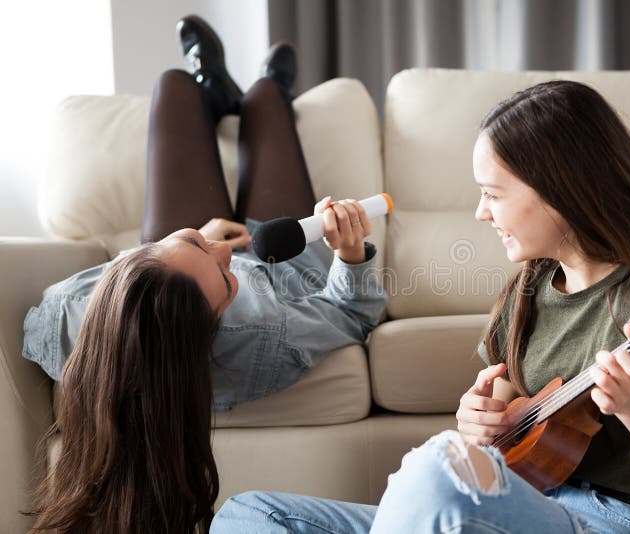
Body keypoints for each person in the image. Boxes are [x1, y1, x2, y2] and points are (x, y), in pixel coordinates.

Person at [211, 81, 630, 533]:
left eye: (493, 193)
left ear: (561, 189)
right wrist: (476, 422)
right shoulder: (528, 291)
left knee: (434, 474)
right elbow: (500, 434)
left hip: (623, 523)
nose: (480, 213)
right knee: (252, 515)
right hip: (518, 507)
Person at [22, 15, 387, 534]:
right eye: (224, 280)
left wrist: (191, 238)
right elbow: (352, 312)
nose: (222, 252)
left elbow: (142, 277)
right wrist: (350, 252)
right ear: (215, 321)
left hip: (168, 266)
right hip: (280, 262)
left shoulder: (63, 316)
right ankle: (271, 91)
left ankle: (210, 87)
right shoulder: (260, 335)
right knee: (264, 101)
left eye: (198, 247)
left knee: (171, 86)